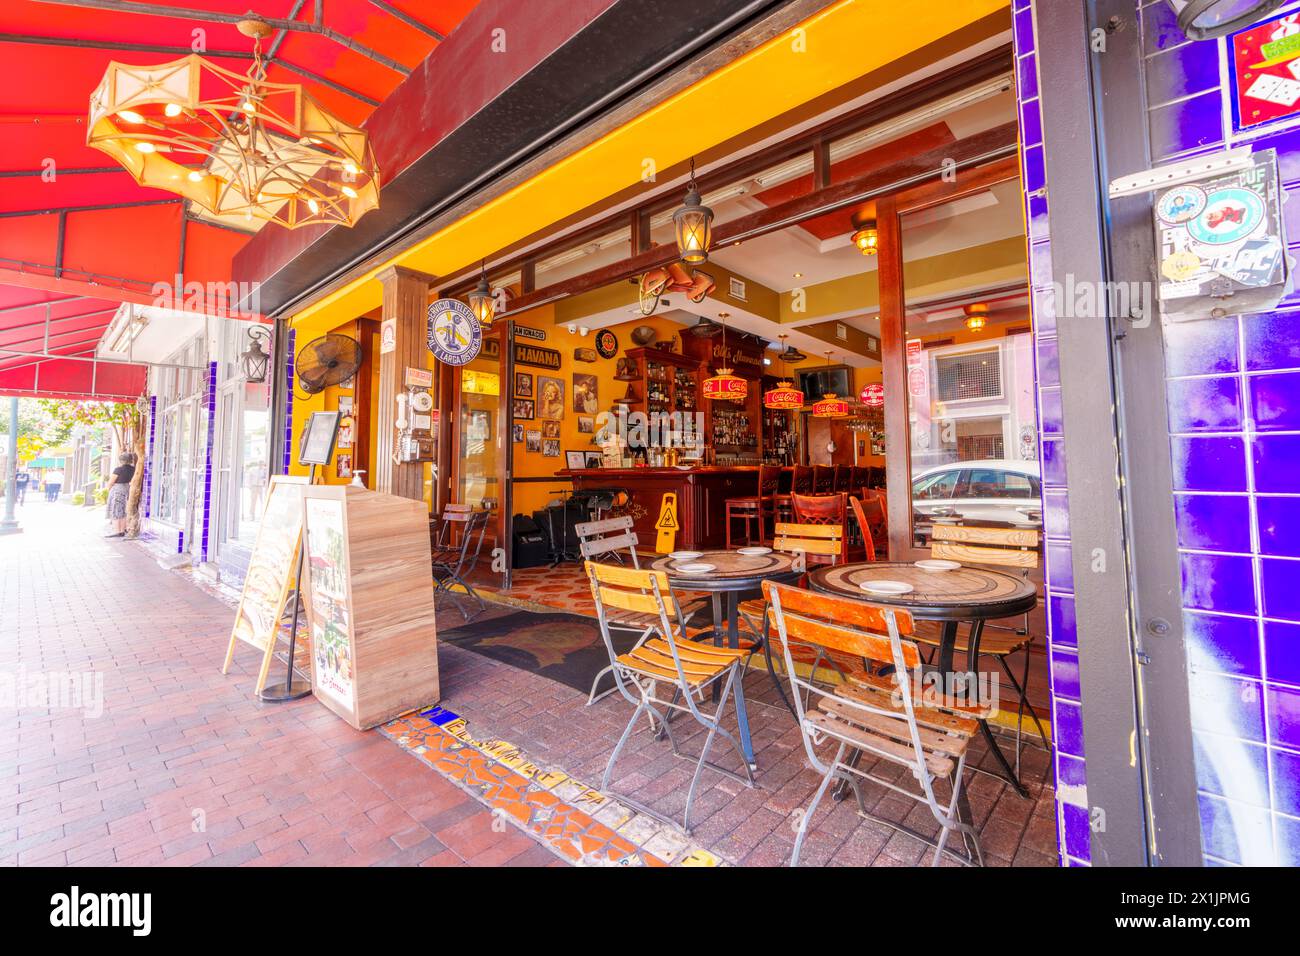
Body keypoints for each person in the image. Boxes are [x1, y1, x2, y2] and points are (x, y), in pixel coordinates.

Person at [104, 453, 135, 538]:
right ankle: (123, 529)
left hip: (117, 490)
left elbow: (111, 482)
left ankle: (118, 531)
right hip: (127, 489)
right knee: (124, 510)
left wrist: (108, 489)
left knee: (116, 510)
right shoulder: (134, 469)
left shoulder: (118, 469)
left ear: (121, 460)